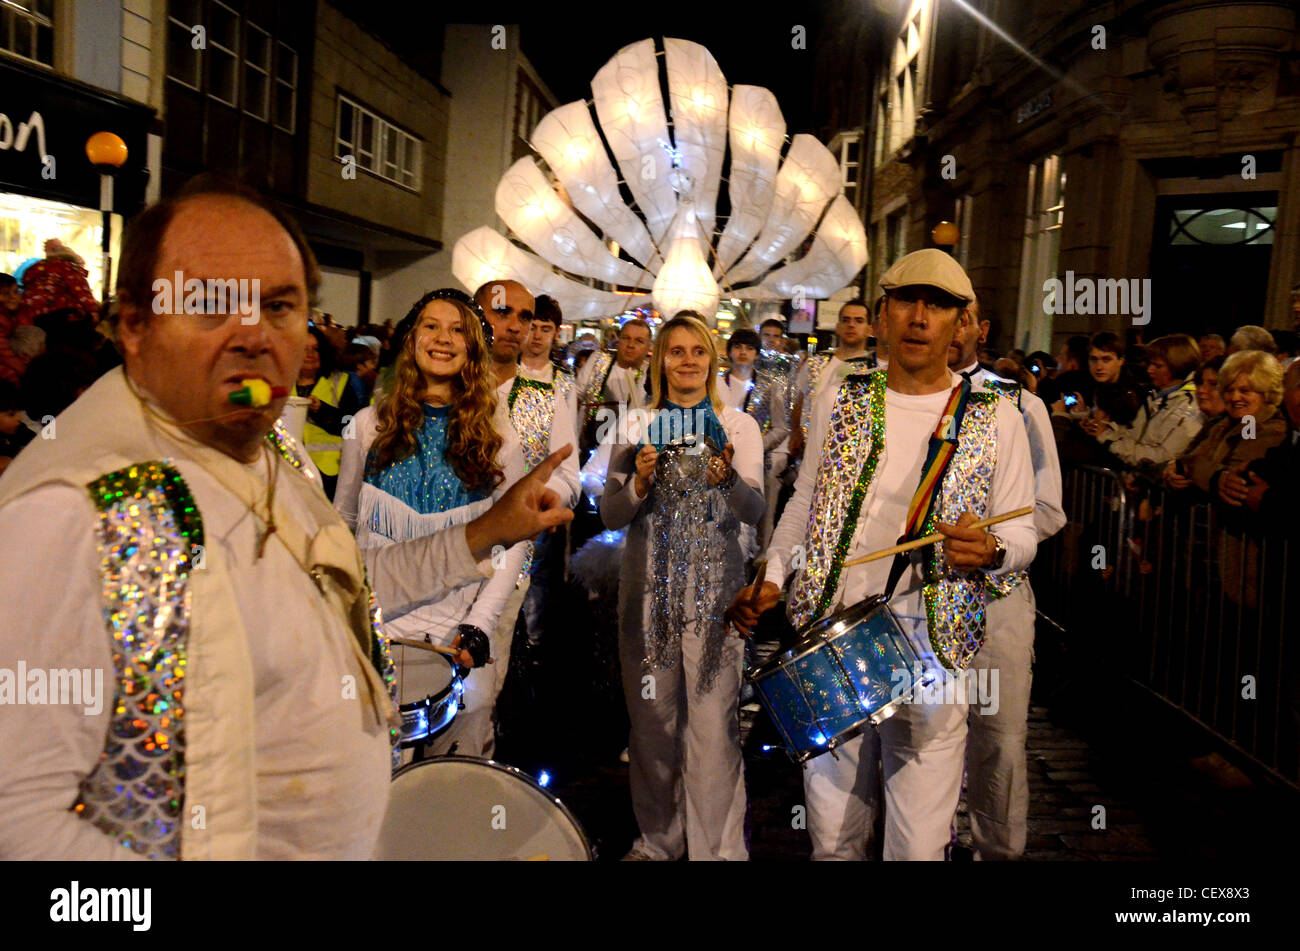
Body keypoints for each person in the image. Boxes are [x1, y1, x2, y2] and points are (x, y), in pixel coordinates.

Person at [0, 178, 573, 860]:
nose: (253, 333)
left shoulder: (265, 448)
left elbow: (346, 586)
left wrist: (486, 530)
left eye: (278, 305)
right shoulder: (80, 507)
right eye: (213, 300)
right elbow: (21, 820)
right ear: (134, 323)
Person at [731, 249, 1037, 861]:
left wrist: (992, 550)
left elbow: (1023, 533)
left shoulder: (998, 416)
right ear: (882, 315)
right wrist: (771, 573)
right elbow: (805, 500)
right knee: (833, 835)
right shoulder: (838, 398)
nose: (920, 317)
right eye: (907, 302)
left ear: (962, 322)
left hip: (934, 642)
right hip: (832, 631)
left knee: (919, 844)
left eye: (939, 305)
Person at [335, 288, 532, 759]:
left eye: (458, 328)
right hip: (381, 628)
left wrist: (480, 625)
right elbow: (342, 523)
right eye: (430, 325)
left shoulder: (500, 440)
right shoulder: (365, 426)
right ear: (411, 339)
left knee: (456, 785)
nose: (443, 338)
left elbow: (513, 544)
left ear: (472, 347)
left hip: (459, 635)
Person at [602, 313, 764, 861]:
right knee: (651, 726)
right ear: (659, 360)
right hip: (647, 597)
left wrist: (728, 479)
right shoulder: (633, 425)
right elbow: (608, 515)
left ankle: (716, 850)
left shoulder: (739, 426)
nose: (687, 361)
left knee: (714, 730)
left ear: (712, 361)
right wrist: (641, 482)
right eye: (676, 351)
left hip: (716, 597)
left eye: (698, 351)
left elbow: (756, 509)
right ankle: (657, 840)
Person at [949, 294, 1065, 861]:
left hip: (997, 600)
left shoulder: (1019, 403)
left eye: (960, 315)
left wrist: (995, 546)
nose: (948, 326)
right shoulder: (891, 398)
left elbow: (1048, 508)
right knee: (919, 740)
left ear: (979, 328)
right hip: (914, 606)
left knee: (999, 741)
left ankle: (998, 849)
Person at [473, 281, 581, 701]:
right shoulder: (445, 390)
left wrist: (542, 494)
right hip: (431, 557)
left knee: (480, 693)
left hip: (506, 561)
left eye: (525, 316)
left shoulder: (548, 397)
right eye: (503, 313)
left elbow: (568, 475)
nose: (517, 326)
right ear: (476, 316)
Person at [505, 292, 581, 650]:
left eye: (544, 329)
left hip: (546, 488)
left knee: (539, 571)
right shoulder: (506, 373)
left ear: (555, 334)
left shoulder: (564, 382)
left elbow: (569, 442)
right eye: (531, 327)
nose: (536, 336)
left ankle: (533, 643)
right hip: (504, 486)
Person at [1163, 350, 1287, 504]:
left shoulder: (1269, 429)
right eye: (1229, 390)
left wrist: (1193, 467)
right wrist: (1174, 472)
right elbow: (1188, 462)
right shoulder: (1223, 425)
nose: (1235, 398)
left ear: (1266, 393)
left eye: (1244, 391)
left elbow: (1233, 480)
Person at [1092, 334, 1203, 479]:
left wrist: (1108, 439)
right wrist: (1105, 429)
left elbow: (1163, 456)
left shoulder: (1189, 405)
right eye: (1150, 364)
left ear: (1177, 367)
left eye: (1157, 366)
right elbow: (1134, 437)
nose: (1149, 370)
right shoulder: (1155, 397)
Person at [716, 327, 789, 551]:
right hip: (719, 462)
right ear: (729, 352)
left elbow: (781, 427)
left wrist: (755, 446)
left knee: (757, 518)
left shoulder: (769, 387)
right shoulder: (716, 384)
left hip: (757, 464)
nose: (743, 352)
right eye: (737, 347)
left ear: (757, 354)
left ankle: (755, 566)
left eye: (749, 348)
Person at [788, 299, 873, 460]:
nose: (851, 325)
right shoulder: (815, 362)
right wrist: (795, 433)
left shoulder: (871, 369)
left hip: (846, 455)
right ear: (838, 327)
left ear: (869, 329)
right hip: (807, 451)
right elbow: (800, 401)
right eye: (846, 320)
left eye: (859, 321)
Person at [297, 325, 364, 499]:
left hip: (329, 477)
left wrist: (323, 411)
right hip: (288, 471)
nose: (310, 354)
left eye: (315, 349)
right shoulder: (279, 385)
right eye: (303, 349)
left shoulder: (339, 383)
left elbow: (352, 426)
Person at [576, 317, 651, 453]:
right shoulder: (599, 360)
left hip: (624, 451)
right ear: (619, 340)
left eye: (639, 341)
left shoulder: (650, 374)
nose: (631, 345)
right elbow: (577, 395)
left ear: (648, 347)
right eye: (626, 338)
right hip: (586, 445)